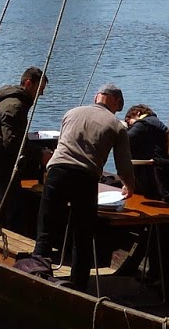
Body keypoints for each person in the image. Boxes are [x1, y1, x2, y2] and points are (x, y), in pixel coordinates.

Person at [34, 83, 135, 290]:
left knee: (46, 228)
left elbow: (61, 144)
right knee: (82, 234)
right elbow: (123, 164)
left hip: (57, 172)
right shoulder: (116, 125)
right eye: (119, 107)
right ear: (115, 101)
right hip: (85, 177)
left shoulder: (72, 112)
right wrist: (129, 185)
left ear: (97, 96)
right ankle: (78, 286)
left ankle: (37, 276)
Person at [0, 66, 47, 225]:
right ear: (29, 83)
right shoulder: (14, 107)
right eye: (40, 89)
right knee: (12, 213)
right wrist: (40, 154)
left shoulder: (12, 102)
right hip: (0, 170)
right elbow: (13, 142)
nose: (41, 94)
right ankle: (6, 246)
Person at [123, 104, 169, 206]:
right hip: (166, 177)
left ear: (138, 113)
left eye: (128, 120)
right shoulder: (155, 124)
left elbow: (125, 140)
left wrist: (119, 128)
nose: (129, 125)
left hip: (161, 180)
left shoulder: (145, 124)